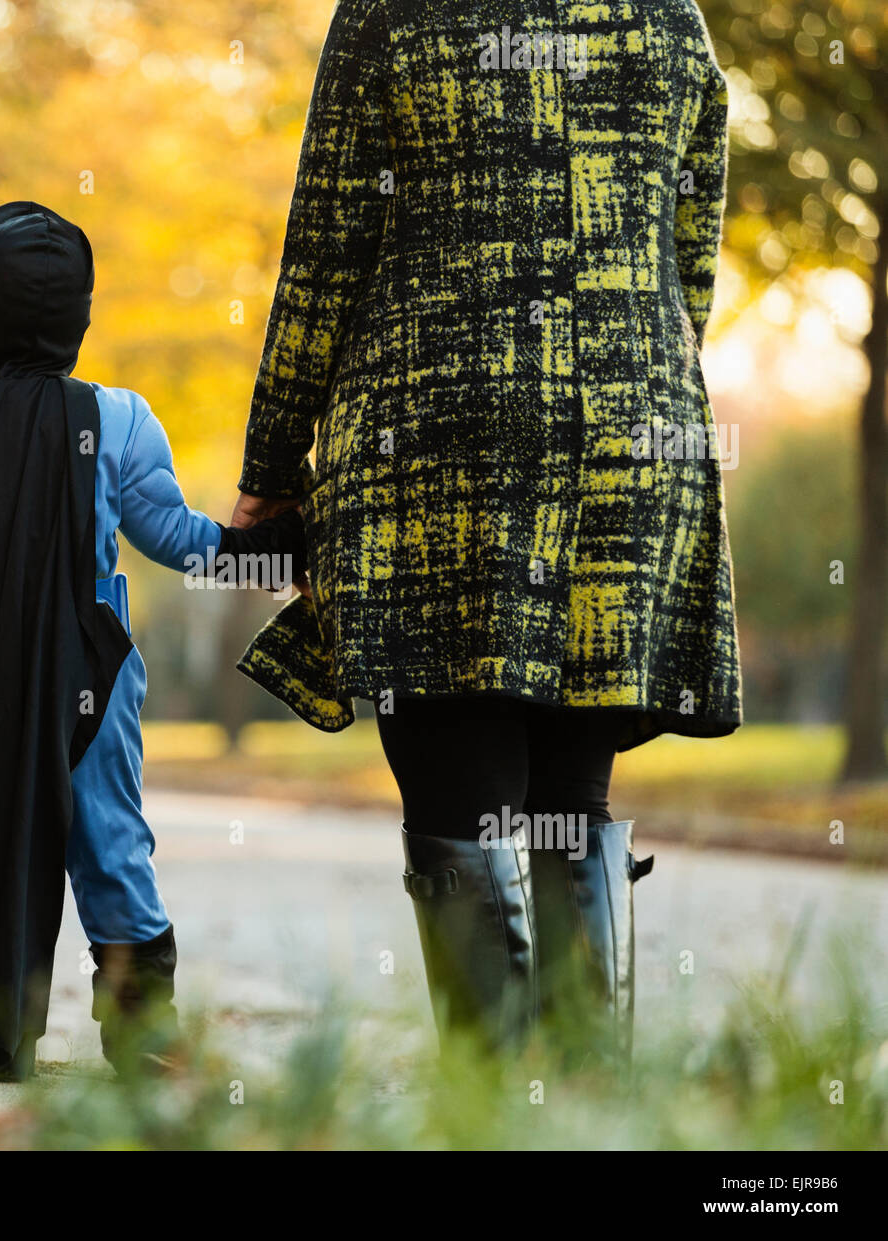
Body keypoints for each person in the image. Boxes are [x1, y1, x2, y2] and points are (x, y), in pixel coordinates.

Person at [231, 1, 737, 1057]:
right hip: (628, 432)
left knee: (459, 779)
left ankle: (498, 1108)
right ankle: (585, 1114)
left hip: (435, 433)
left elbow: (324, 253)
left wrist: (270, 475)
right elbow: (690, 266)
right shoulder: (667, 18)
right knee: (570, 791)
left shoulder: (392, 12)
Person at [0, 201, 305, 1079]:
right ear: (76, 317)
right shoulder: (121, 421)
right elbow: (178, 540)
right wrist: (274, 553)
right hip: (85, 680)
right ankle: (144, 1037)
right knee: (109, 840)